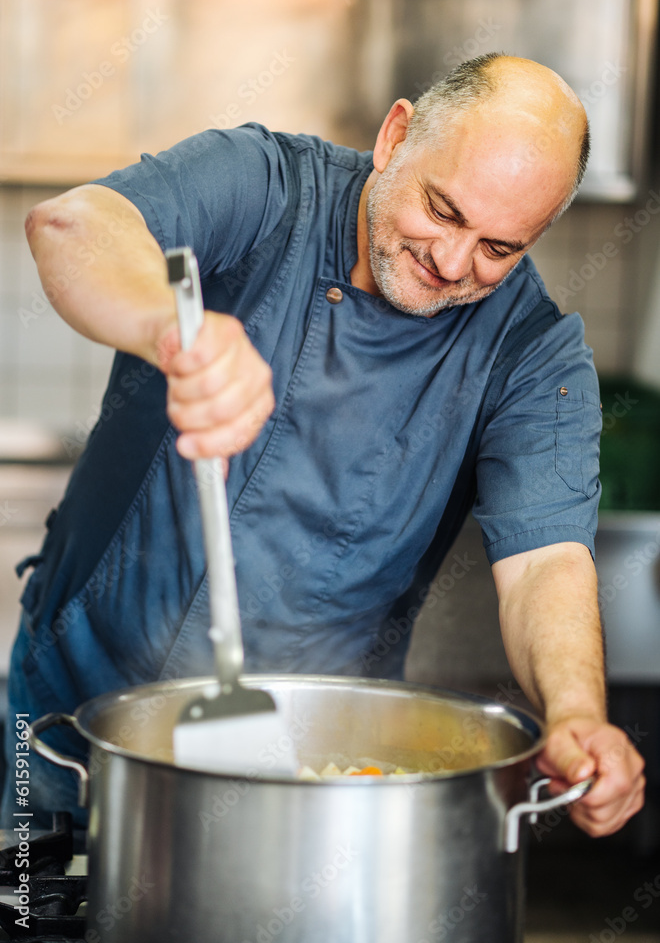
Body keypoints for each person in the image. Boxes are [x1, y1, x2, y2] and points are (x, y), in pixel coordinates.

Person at [3, 53, 644, 835]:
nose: (451, 264)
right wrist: (171, 329)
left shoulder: (533, 353)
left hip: (313, 764)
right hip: (71, 706)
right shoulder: (264, 184)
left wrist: (577, 712)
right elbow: (75, 226)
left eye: (498, 249)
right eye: (443, 211)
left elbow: (545, 562)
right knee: (34, 907)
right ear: (395, 136)